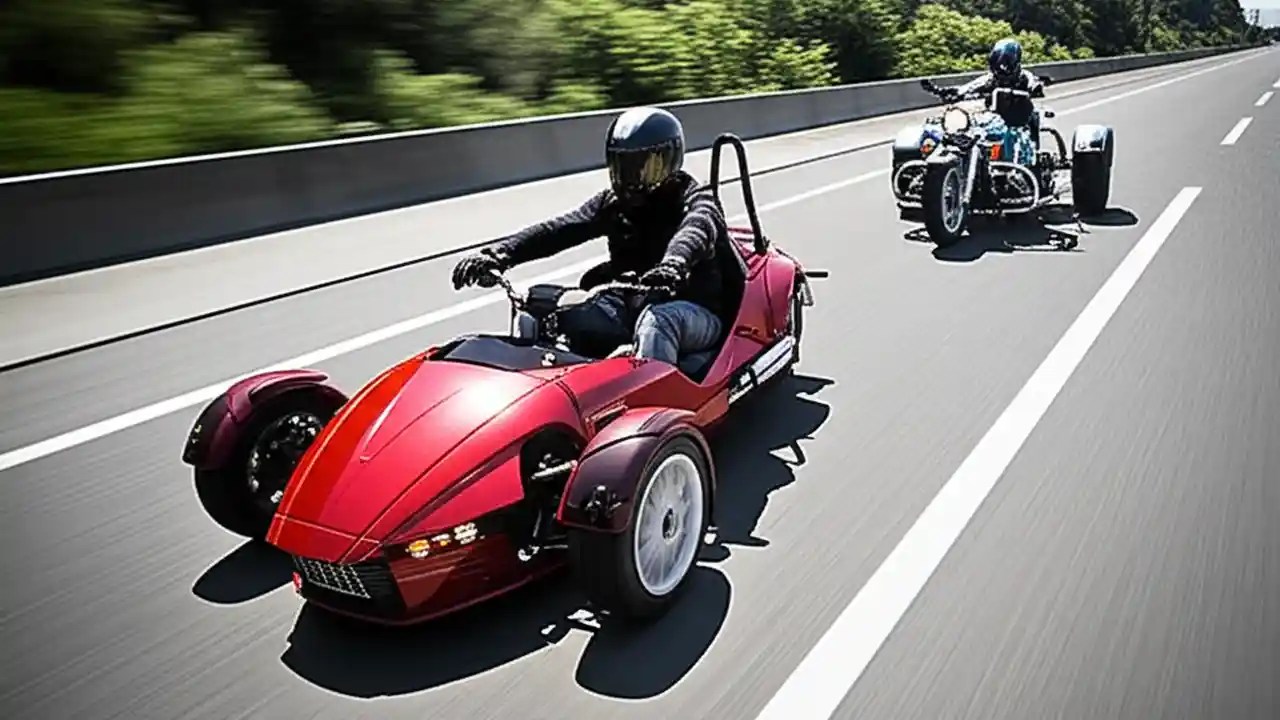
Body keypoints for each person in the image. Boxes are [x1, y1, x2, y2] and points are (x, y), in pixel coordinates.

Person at [450, 106, 727, 366]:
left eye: (645, 166)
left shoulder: (696, 198)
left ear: (669, 161)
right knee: (543, 309)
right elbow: (559, 229)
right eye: (624, 166)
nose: (632, 177)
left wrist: (674, 264)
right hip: (631, 302)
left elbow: (696, 230)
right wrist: (499, 254)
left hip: (695, 309)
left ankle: (656, 402)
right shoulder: (613, 203)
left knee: (658, 321)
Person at [947, 38, 1045, 149]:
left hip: (1019, 112)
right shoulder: (991, 78)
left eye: (1006, 61)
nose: (1002, 66)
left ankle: (1035, 150)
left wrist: (1035, 88)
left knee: (1034, 116)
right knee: (973, 126)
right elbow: (971, 86)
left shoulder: (1024, 76)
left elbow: (1033, 82)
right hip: (995, 114)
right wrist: (955, 92)